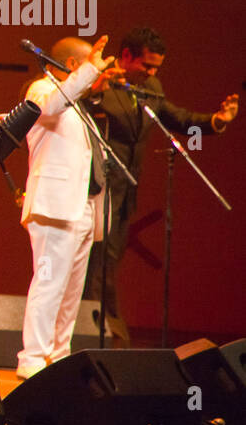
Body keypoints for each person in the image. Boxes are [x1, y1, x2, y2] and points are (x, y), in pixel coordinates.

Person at [83, 26, 238, 325]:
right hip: (98, 189)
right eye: (147, 65)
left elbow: (176, 117)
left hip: (126, 192)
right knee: (95, 264)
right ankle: (97, 331)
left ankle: (101, 329)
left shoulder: (151, 87)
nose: (152, 72)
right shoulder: (101, 82)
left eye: (156, 67)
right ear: (126, 56)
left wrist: (215, 121)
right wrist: (96, 91)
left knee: (108, 264)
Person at [16, 36, 119, 379]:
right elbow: (49, 108)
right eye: (90, 65)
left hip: (83, 207)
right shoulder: (41, 88)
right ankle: (32, 359)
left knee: (72, 289)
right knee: (49, 283)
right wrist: (92, 71)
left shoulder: (80, 104)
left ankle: (59, 357)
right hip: (54, 206)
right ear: (75, 66)